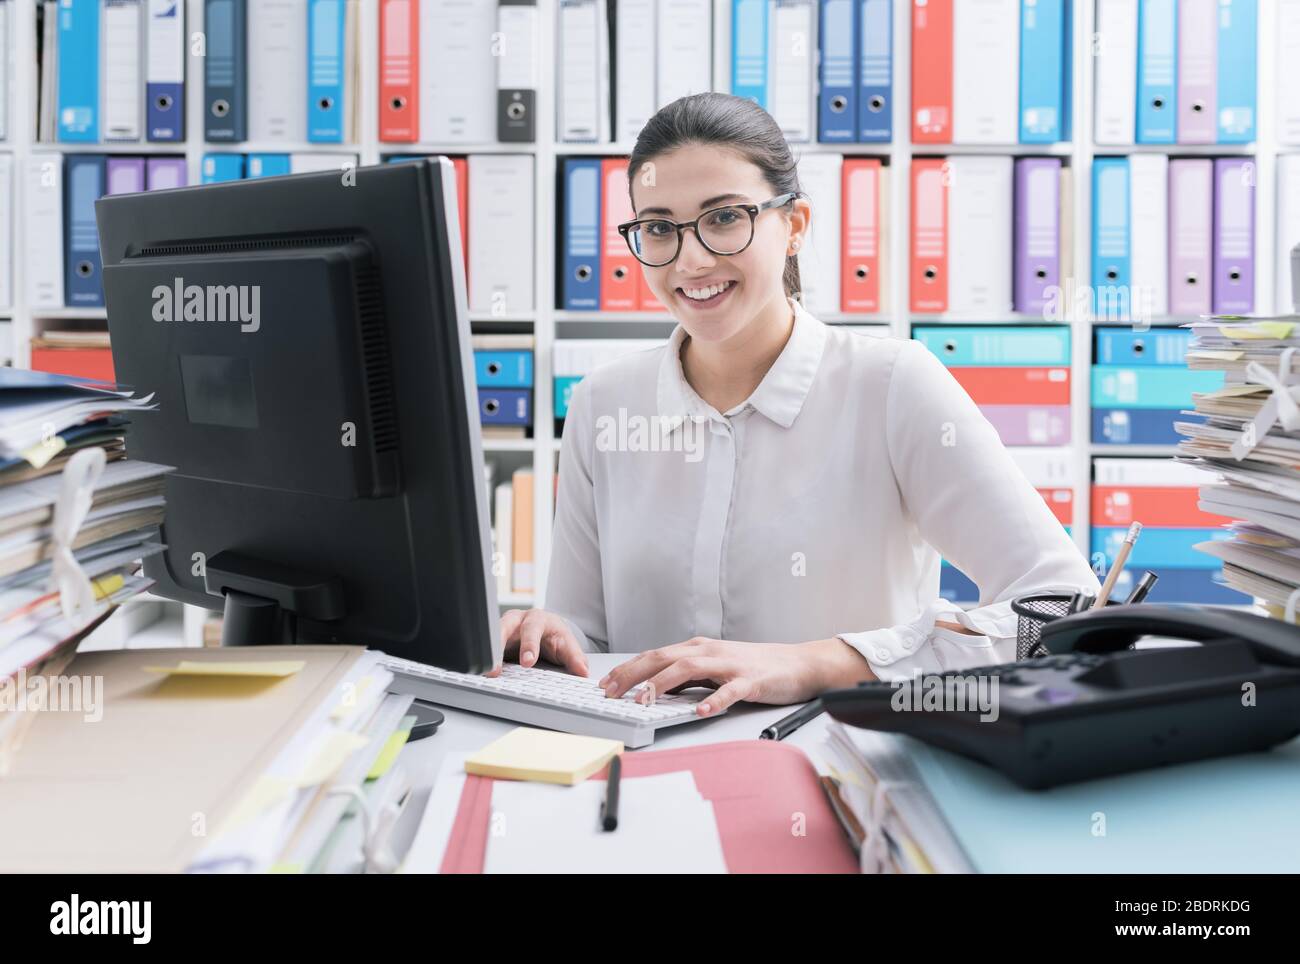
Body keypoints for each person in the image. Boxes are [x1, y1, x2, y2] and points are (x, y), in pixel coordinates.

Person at [497, 91, 1098, 715]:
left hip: (841, 766)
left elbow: (1065, 609)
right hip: (644, 779)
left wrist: (819, 663)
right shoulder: (603, 404)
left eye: (725, 217)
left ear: (795, 226)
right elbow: (587, 640)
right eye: (658, 228)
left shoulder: (892, 385)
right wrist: (551, 640)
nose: (692, 259)